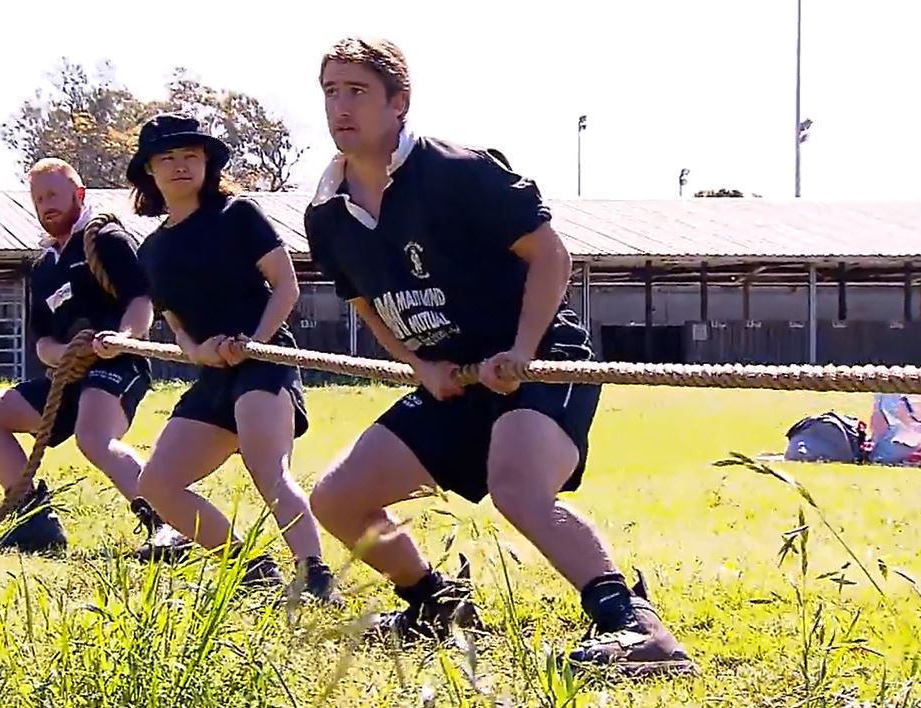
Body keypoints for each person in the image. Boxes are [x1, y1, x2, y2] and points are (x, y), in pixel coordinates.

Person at [302, 37, 698, 677]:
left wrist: (519, 350)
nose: (340, 107)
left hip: (538, 360)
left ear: (399, 103)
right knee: (337, 499)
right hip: (453, 380)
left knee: (516, 487)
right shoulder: (325, 213)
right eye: (330, 92)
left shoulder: (460, 172)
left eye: (358, 91)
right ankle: (434, 605)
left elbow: (552, 256)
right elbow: (364, 302)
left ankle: (635, 626)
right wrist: (419, 365)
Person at [125, 112, 339, 602]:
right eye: (167, 158)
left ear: (207, 164)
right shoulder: (153, 249)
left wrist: (254, 340)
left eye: (190, 156)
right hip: (214, 376)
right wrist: (200, 352)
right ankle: (245, 565)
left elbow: (285, 285)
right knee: (156, 484)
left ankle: (314, 574)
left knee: (269, 470)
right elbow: (176, 323)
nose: (180, 166)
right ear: (149, 173)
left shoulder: (238, 214)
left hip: (264, 361)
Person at [0, 158, 192, 562]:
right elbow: (43, 343)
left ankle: (169, 522)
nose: (45, 205)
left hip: (117, 365)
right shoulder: (43, 266)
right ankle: (33, 520)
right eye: (38, 199)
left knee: (93, 437)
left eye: (53, 194)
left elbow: (140, 301)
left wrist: (124, 338)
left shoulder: (106, 240)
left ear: (78, 194)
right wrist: (63, 354)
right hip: (69, 377)